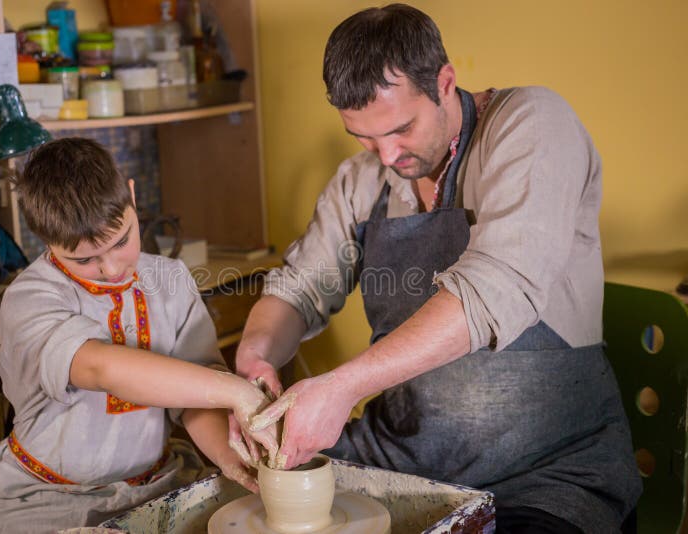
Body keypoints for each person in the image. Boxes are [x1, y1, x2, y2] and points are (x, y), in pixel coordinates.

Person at [231, 4, 641, 533]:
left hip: (547, 475)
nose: (385, 155)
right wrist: (254, 358)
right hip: (399, 460)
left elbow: (497, 286)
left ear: (445, 82)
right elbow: (300, 289)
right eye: (363, 136)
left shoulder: (533, 124)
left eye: (401, 129)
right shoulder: (362, 181)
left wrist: (342, 387)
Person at [0, 138, 276, 533]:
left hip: (158, 482)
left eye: (121, 241)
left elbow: (198, 398)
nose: (112, 268)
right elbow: (100, 368)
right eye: (84, 260)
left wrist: (231, 459)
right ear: (46, 239)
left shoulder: (169, 279)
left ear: (131, 196)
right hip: (49, 497)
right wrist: (237, 391)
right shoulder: (30, 298)